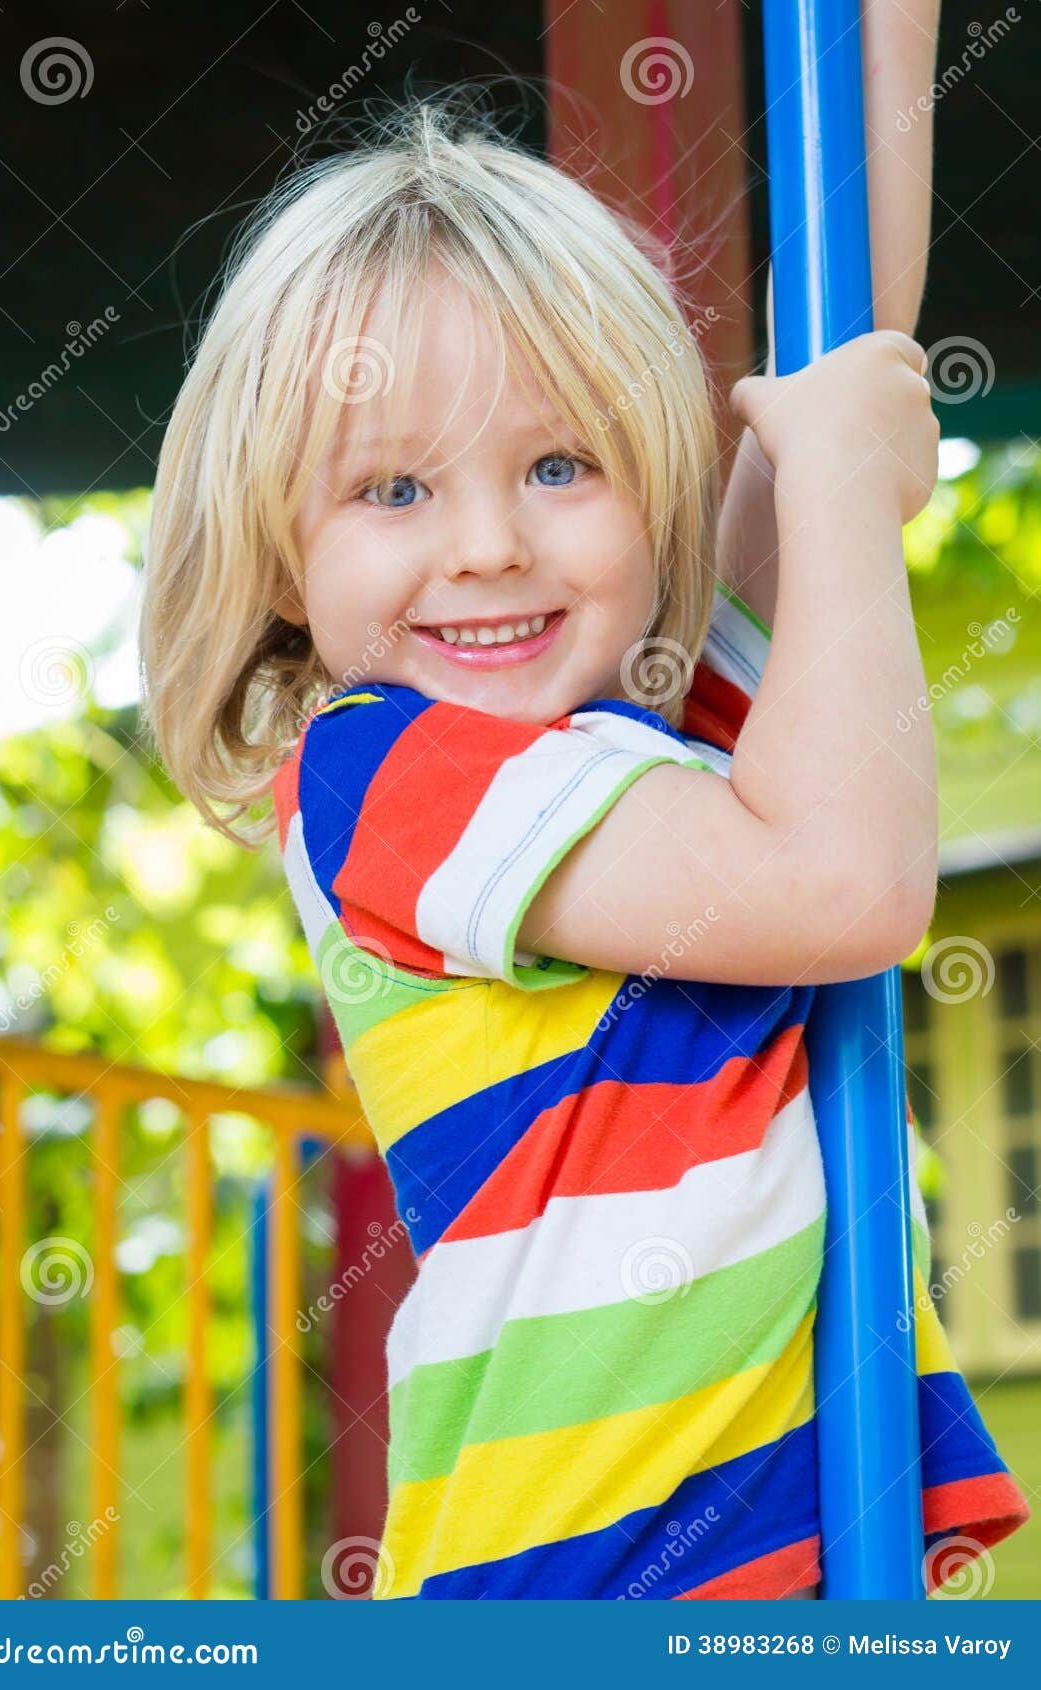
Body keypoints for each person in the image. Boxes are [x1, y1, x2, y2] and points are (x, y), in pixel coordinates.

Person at [139, 69, 1028, 1601]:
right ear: (283, 555)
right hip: (583, 1593)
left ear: (646, 486)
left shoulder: (661, 762)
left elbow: (835, 346)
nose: (488, 543)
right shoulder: (382, 777)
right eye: (393, 487)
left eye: (560, 466)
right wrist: (831, 473)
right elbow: (844, 884)